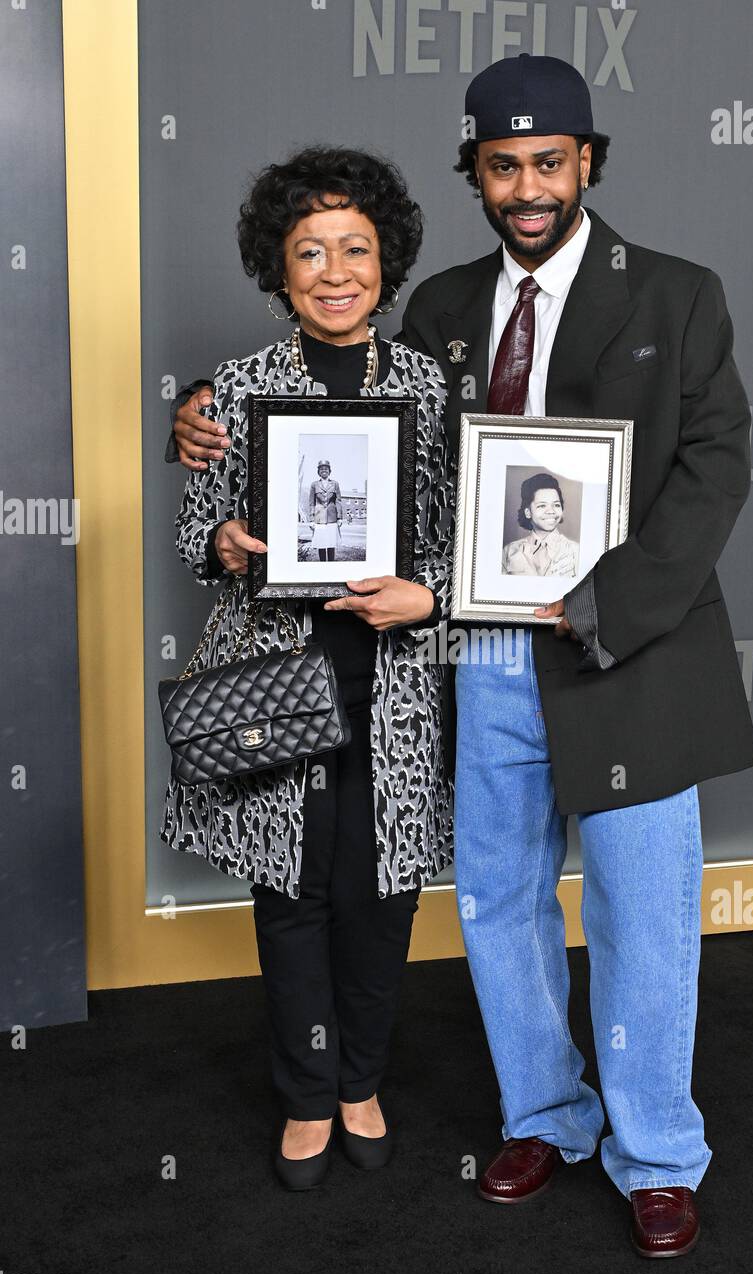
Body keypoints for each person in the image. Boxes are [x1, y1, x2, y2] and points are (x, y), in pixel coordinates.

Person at [168, 56, 753, 1260]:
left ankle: (655, 1152)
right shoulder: (437, 308)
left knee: (646, 914)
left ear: (588, 162)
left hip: (629, 652)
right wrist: (198, 405)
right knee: (497, 898)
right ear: (477, 177)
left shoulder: (680, 295)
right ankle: (544, 1112)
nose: (529, 187)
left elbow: (714, 471)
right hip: (481, 655)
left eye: (550, 163)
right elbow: (330, 388)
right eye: (505, 167)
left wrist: (594, 609)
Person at [160, 145, 454, 1192]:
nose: (335, 271)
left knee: (383, 897)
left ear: (387, 261)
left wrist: (430, 592)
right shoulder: (231, 392)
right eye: (310, 252)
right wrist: (228, 543)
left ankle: (363, 1084)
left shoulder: (430, 385)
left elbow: (463, 544)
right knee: (289, 899)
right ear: (280, 271)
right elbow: (198, 535)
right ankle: (304, 1095)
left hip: (397, 693)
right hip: (279, 695)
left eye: (356, 249)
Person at [502, 471, 579, 577]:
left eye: (556, 505)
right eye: (542, 506)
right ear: (528, 512)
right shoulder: (509, 551)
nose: (551, 511)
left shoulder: (575, 551)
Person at [305, 460, 343, 560]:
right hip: (319, 518)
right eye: (321, 469)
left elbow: (338, 501)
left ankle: (330, 565)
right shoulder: (314, 484)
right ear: (319, 472)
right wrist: (311, 519)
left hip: (332, 518)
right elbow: (311, 503)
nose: (324, 470)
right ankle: (322, 565)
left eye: (326, 468)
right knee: (321, 545)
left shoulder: (335, 484)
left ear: (329, 471)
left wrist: (339, 518)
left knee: (331, 544)